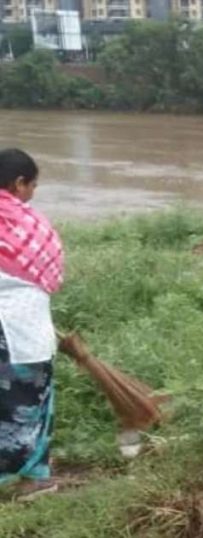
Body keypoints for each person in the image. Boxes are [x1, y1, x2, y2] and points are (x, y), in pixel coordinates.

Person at [0, 149, 63, 494]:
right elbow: (45, 274)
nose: (32, 194)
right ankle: (30, 481)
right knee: (26, 407)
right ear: (19, 183)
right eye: (32, 186)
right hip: (22, 336)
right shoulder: (27, 222)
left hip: (14, 332)